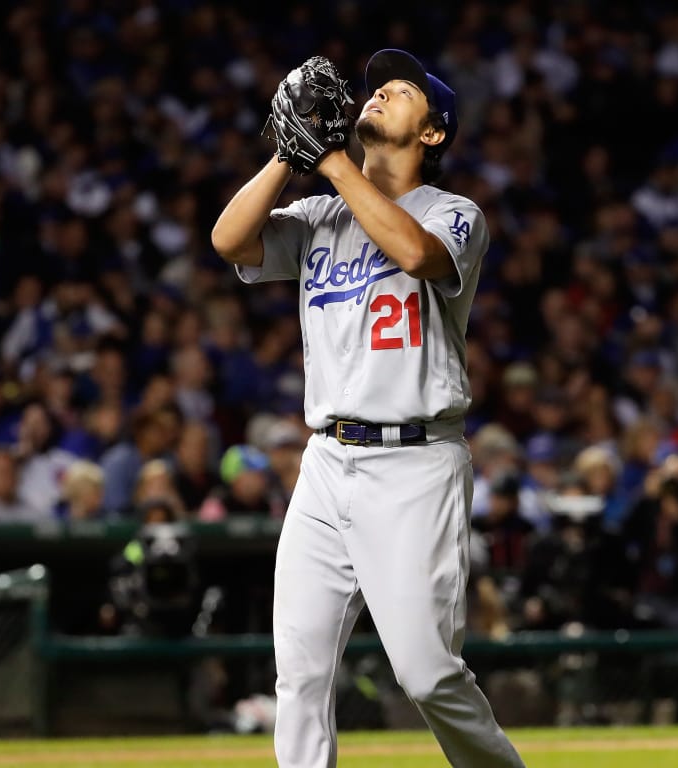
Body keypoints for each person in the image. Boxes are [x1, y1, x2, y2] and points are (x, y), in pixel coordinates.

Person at [211, 50, 525, 767]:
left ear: (434, 133)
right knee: (301, 669)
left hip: (417, 464)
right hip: (326, 461)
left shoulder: (454, 213)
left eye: (403, 89)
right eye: (377, 84)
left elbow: (415, 254)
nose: (379, 89)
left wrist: (330, 163)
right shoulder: (319, 211)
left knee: (428, 674)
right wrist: (288, 157)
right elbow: (228, 239)